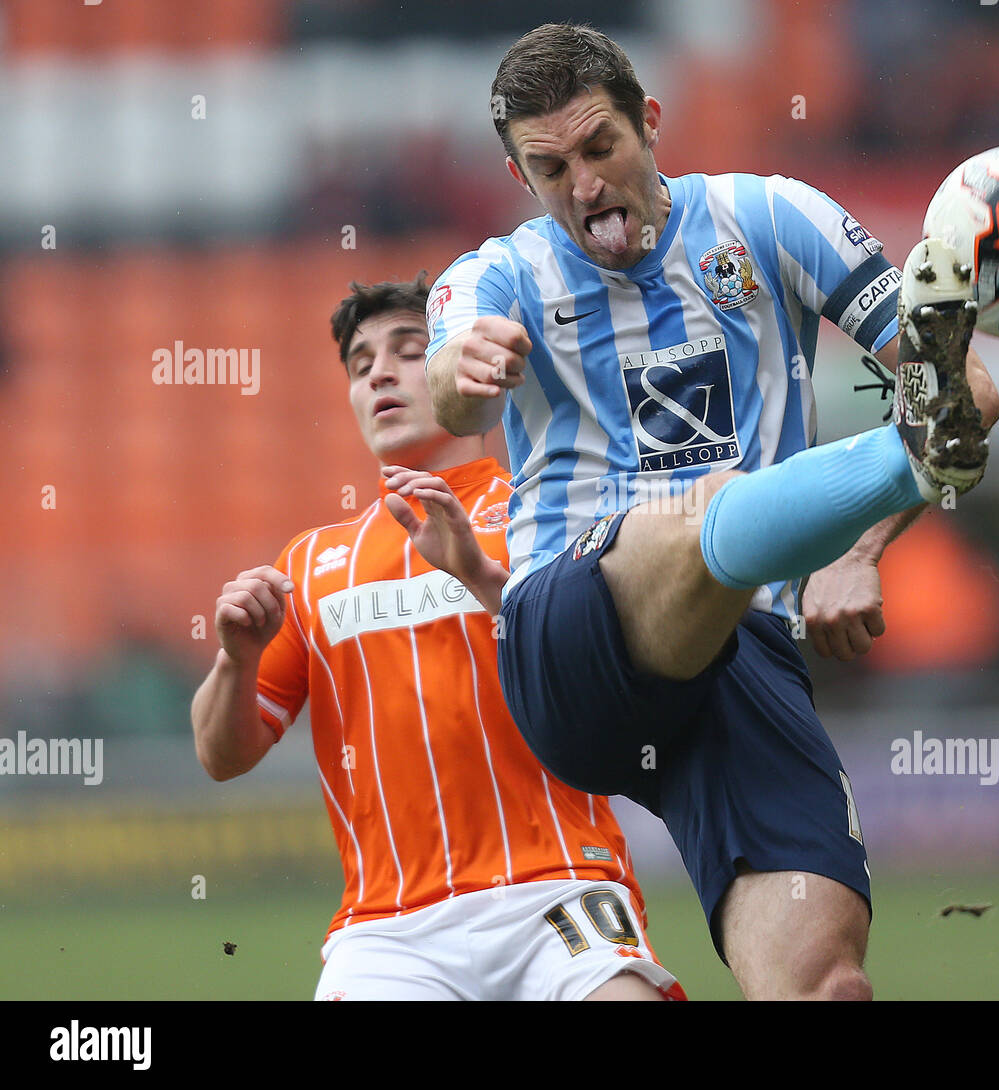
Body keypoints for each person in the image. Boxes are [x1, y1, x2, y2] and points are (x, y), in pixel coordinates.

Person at [424, 24, 999, 1000]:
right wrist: (462, 369)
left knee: (826, 983)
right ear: (520, 177)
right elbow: (452, 385)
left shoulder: (770, 219)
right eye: (549, 166)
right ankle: (900, 465)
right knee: (706, 512)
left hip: (747, 647)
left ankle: (885, 475)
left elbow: (964, 388)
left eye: (600, 146)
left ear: (650, 120)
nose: (583, 184)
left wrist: (854, 550)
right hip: (567, 634)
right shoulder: (499, 275)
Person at [191, 273, 683, 1002]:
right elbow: (220, 756)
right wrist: (237, 658)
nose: (379, 373)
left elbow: (608, 687)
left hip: (556, 885)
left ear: (465, 373)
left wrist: (485, 577)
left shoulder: (548, 517)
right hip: (390, 929)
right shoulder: (311, 563)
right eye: (361, 366)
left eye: (409, 352)